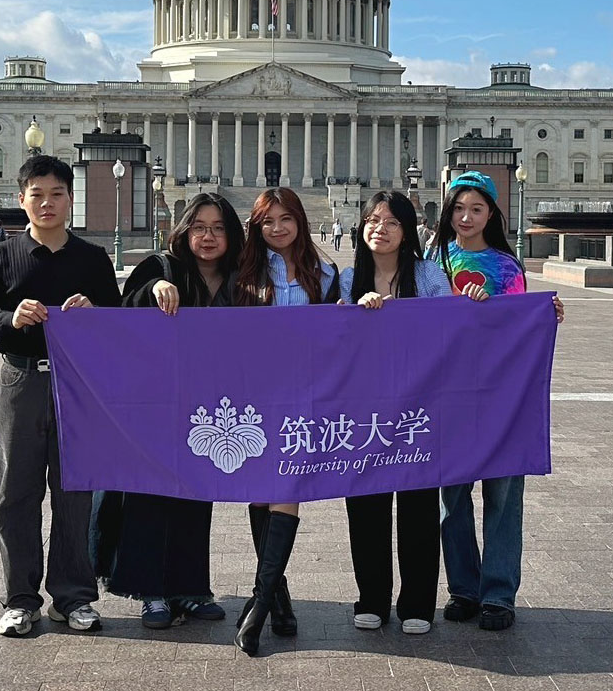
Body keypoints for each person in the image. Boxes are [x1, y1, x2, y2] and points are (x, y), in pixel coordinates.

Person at [0, 155, 121, 638]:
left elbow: (117, 325)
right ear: (21, 201)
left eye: (56, 194)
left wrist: (94, 311)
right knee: (16, 492)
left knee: (74, 491)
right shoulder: (2, 256)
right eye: (37, 194)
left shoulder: (93, 259)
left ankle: (73, 598)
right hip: (22, 380)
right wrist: (10, 318)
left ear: (70, 199)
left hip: (78, 386)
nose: (47, 203)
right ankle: (20, 598)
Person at [99, 194, 245, 630]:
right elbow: (121, 315)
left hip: (208, 405)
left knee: (197, 499)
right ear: (184, 230)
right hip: (156, 402)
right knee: (150, 496)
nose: (208, 236)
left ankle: (191, 587)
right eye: (199, 226)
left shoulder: (241, 279)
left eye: (218, 228)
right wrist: (152, 290)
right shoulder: (160, 268)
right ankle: (152, 591)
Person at [428, 171, 563, 633]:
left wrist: (545, 315)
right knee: (453, 498)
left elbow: (518, 332)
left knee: (503, 497)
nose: (466, 217)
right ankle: (464, 588)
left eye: (476, 209)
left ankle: (499, 593)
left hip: (502, 394)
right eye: (459, 209)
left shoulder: (507, 267)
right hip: (448, 393)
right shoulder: (432, 261)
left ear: (491, 214)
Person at [232, 187, 340, 656]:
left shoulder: (328, 274)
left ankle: (259, 602)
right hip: (255, 400)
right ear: (256, 227)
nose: (277, 228)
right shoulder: (243, 274)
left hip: (304, 401)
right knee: (261, 495)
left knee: (286, 491)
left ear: (299, 220)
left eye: (285, 219)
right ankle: (277, 595)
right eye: (267, 221)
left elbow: (348, 331)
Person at [338, 191, 451, 635]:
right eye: (371, 220)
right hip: (363, 411)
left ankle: (418, 602)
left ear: (408, 231)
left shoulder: (428, 276)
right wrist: (351, 315)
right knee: (365, 505)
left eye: (390, 222)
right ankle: (371, 597)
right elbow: (333, 336)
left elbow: (454, 329)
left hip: (417, 407)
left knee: (419, 507)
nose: (378, 229)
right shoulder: (349, 279)